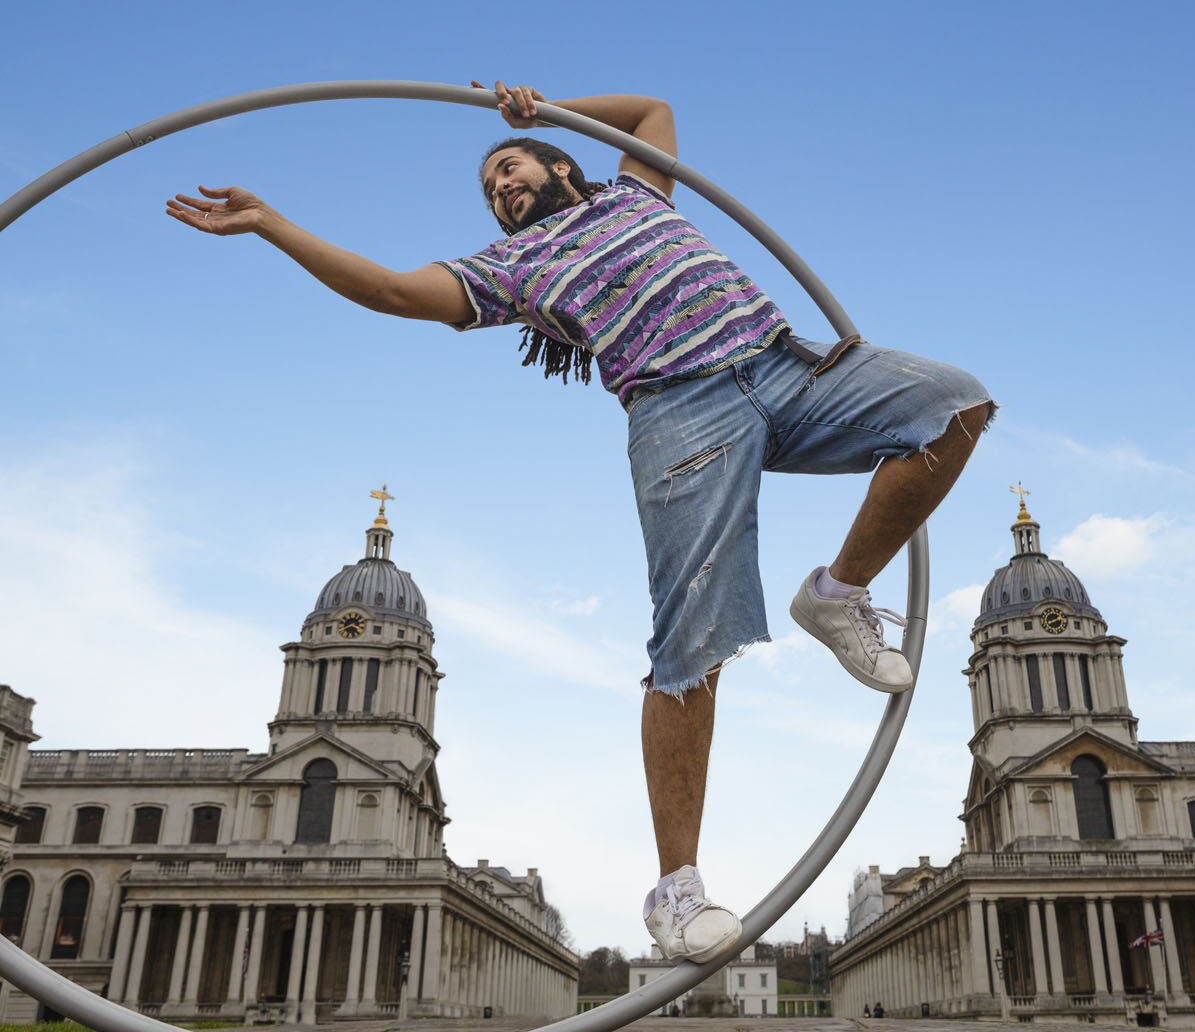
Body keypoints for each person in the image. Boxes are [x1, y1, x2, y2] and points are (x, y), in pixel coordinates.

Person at [166, 80, 993, 965]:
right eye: (489, 188)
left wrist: (541, 107)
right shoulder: (510, 266)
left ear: (563, 165)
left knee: (954, 404)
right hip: (682, 415)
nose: (499, 187)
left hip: (783, 366)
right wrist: (273, 225)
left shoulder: (639, 193)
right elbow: (395, 292)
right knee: (690, 642)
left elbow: (652, 114)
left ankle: (835, 594)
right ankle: (677, 889)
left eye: (509, 169)